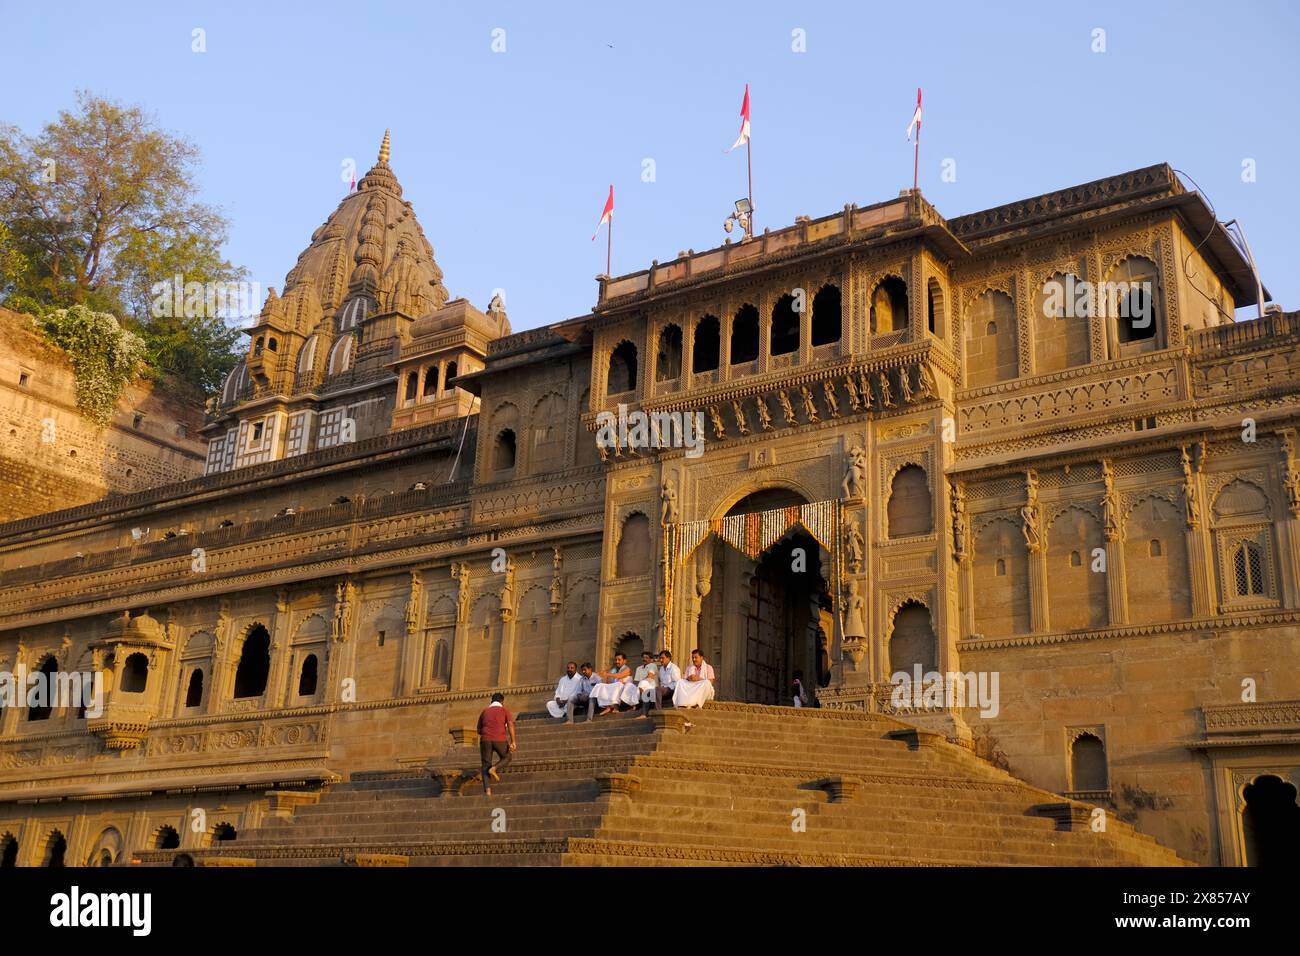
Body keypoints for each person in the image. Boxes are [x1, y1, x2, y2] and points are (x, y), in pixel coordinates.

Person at [476, 692, 516, 796]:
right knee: (507, 757)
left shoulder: (484, 712)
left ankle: (488, 791)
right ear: (502, 701)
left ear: (491, 701)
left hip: (485, 740)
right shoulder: (504, 710)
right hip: (499, 739)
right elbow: (511, 725)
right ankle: (494, 768)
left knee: (485, 765)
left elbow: (478, 730)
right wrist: (513, 741)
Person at [637, 649, 680, 718]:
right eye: (660, 658)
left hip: (671, 689)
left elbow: (677, 682)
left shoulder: (674, 668)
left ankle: (658, 711)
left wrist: (666, 688)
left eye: (663, 658)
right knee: (648, 692)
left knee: (657, 689)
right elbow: (660, 682)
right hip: (662, 689)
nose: (661, 660)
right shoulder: (661, 669)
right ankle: (644, 714)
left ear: (668, 658)